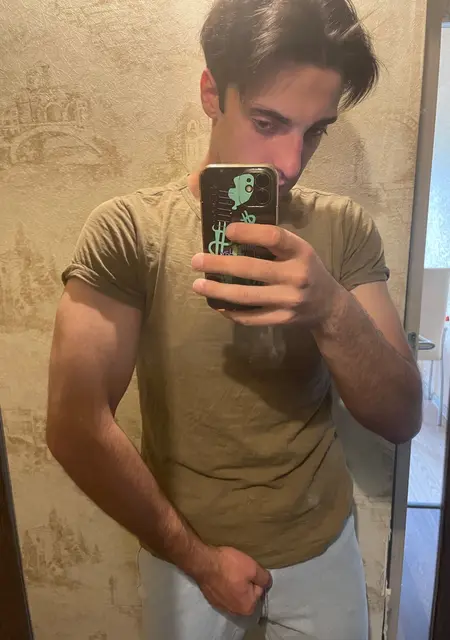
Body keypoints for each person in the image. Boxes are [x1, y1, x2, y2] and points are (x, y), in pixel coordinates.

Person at [46, 0, 422, 638]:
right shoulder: (130, 230)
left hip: (321, 547)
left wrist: (331, 309)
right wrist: (198, 559)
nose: (291, 163)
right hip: (185, 556)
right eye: (268, 122)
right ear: (211, 94)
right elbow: (74, 425)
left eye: (315, 131)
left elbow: (402, 417)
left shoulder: (344, 228)